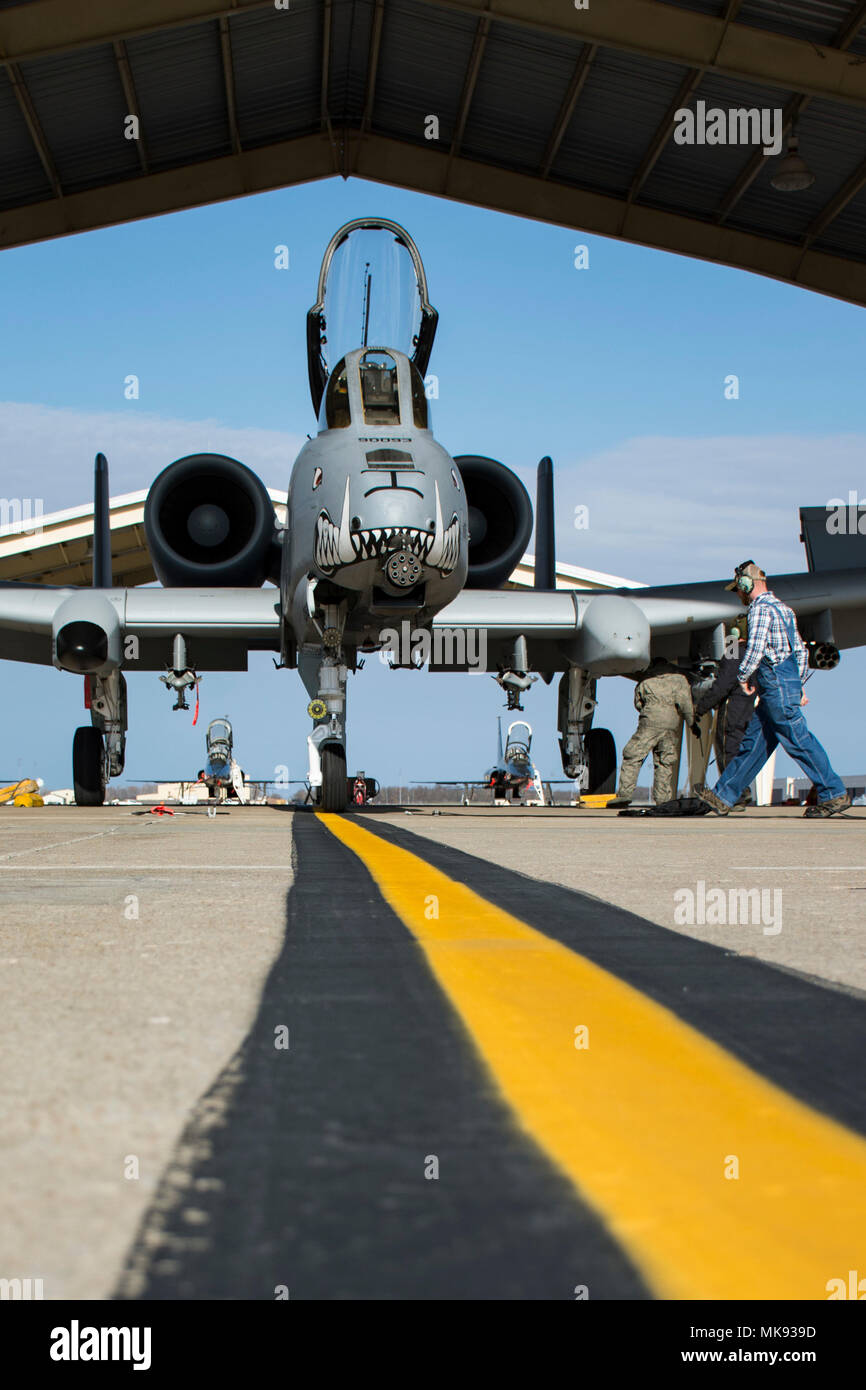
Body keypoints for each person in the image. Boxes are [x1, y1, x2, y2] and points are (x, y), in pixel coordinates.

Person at [696, 562, 850, 819]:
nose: (738, 594)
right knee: (754, 743)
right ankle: (723, 796)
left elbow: (755, 646)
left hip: (774, 682)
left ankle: (833, 792)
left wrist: (744, 675)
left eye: (738, 589)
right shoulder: (785, 609)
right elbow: (800, 651)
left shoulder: (760, 610)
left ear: (746, 584)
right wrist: (797, 685)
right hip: (783, 681)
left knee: (798, 739)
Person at [609, 658, 694, 808]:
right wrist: (692, 724)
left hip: (650, 723)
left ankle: (625, 794)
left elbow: (638, 703)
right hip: (671, 723)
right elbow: (686, 705)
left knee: (632, 755)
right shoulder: (679, 680)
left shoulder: (646, 680)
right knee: (664, 760)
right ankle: (663, 799)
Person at [691, 618, 757, 807]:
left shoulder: (734, 650)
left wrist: (701, 707)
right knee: (741, 749)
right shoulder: (756, 652)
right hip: (750, 708)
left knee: (728, 748)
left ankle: (734, 794)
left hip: (732, 709)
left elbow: (723, 684)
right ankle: (739, 791)